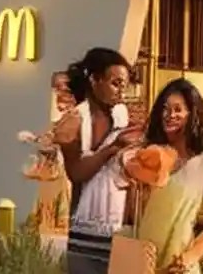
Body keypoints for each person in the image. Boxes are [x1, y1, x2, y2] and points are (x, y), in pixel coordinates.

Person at [52, 48, 141, 274]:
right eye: (115, 83)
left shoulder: (121, 113)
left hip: (119, 227)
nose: (121, 91)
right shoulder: (74, 121)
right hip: (85, 230)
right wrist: (113, 148)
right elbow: (76, 173)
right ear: (94, 80)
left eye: (124, 85)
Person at [134, 78, 203, 274]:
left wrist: (192, 255)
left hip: (179, 263)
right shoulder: (150, 154)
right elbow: (134, 209)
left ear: (192, 113)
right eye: (165, 109)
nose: (170, 115)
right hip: (143, 259)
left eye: (178, 109)